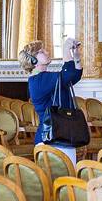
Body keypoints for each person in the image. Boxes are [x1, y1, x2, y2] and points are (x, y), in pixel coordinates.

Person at [23, 36, 83, 164]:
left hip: (60, 136)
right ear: (33, 59)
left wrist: (76, 56)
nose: (47, 52)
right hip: (51, 139)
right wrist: (66, 50)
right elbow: (68, 75)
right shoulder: (39, 80)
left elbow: (73, 77)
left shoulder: (46, 78)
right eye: (42, 51)